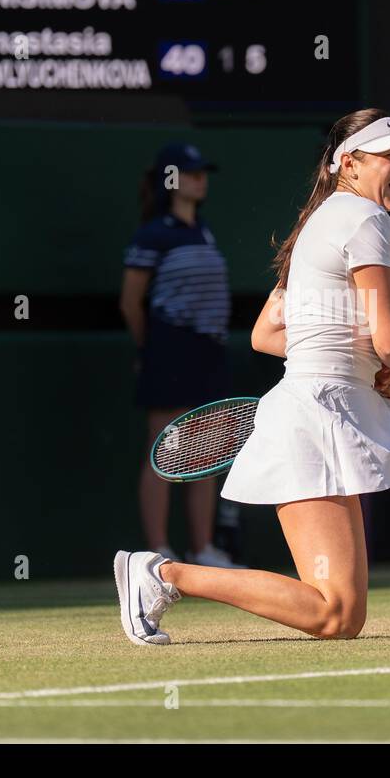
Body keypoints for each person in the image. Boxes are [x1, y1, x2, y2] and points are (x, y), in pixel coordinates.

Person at [114, 109, 390, 645]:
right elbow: (389, 338)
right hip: (317, 422)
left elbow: (266, 333)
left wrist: (361, 360)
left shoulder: (322, 222)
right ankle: (163, 575)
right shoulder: (365, 221)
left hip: (354, 403)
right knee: (337, 617)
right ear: (349, 164)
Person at [120, 142, 244, 569]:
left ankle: (203, 549)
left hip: (208, 348)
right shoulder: (152, 234)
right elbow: (130, 302)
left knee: (207, 451)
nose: (199, 179)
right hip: (169, 347)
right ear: (170, 180)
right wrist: (148, 348)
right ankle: (158, 551)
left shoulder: (204, 231)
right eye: (190, 173)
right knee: (163, 449)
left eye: (201, 172)